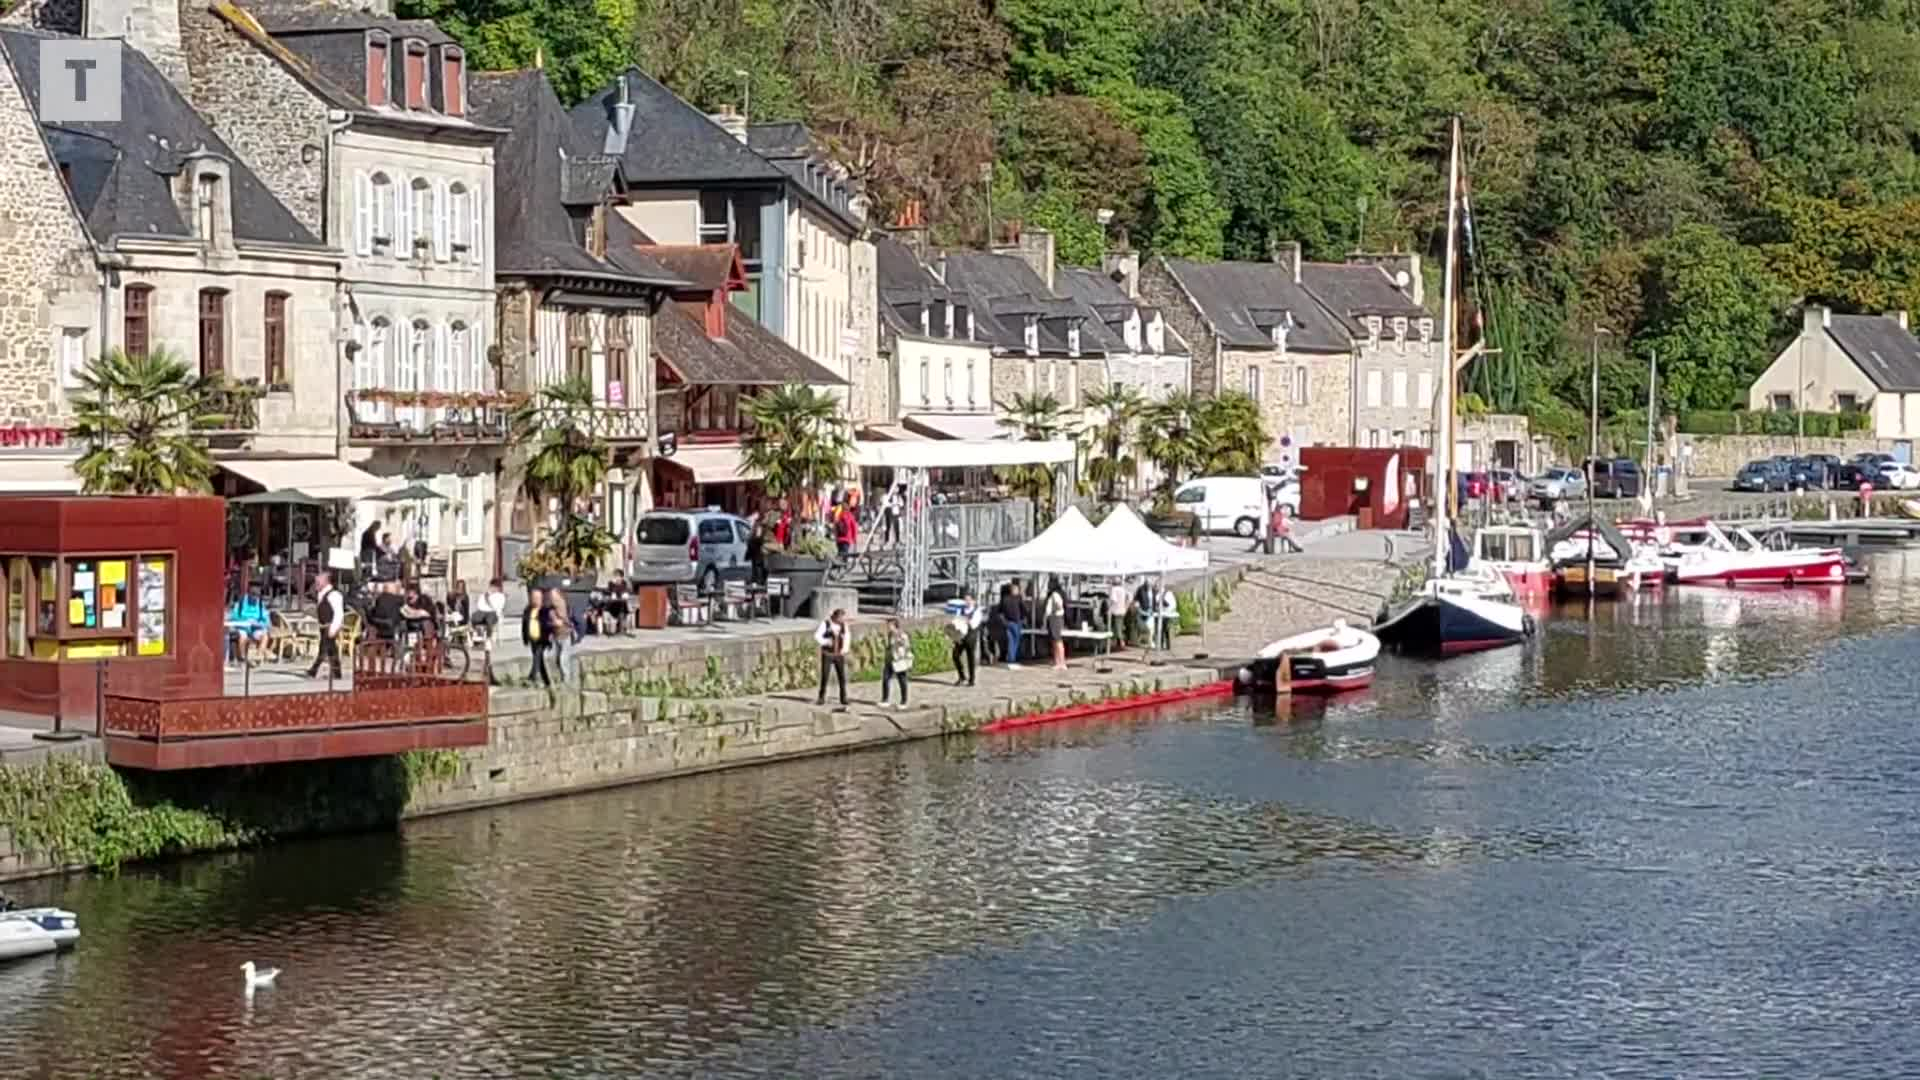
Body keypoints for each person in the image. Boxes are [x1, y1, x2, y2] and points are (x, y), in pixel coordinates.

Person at [305, 571, 344, 680]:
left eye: (318, 582)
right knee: (331, 649)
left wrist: (334, 628)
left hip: (330, 626)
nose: (316, 584)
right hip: (323, 626)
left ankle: (313, 670)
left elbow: (338, 613)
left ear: (326, 581)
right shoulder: (321, 594)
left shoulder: (334, 594)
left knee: (323, 648)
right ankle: (337, 673)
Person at [227, 585, 271, 667]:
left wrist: (258, 623)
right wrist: (245, 620)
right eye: (253, 595)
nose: (255, 598)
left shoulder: (260, 604)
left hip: (255, 628)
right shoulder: (241, 603)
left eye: (257, 596)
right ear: (249, 594)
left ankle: (258, 656)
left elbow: (267, 621)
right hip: (243, 627)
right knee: (242, 637)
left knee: (264, 636)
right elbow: (233, 617)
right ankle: (243, 657)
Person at [814, 607, 850, 707]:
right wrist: (826, 642)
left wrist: (844, 650)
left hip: (839, 654)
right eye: (840, 618)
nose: (841, 620)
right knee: (825, 676)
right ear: (835, 617)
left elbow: (847, 637)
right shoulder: (825, 624)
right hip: (828, 654)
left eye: (842, 618)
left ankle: (843, 697)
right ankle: (821, 697)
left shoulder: (844, 626)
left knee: (842, 676)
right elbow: (817, 636)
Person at [949, 593, 983, 686]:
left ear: (973, 601)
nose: (967, 602)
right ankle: (962, 676)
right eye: (965, 600)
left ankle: (972, 679)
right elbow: (956, 620)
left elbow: (973, 624)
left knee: (970, 657)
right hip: (960, 635)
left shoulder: (977, 611)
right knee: (955, 655)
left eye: (969, 600)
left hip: (970, 636)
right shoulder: (961, 609)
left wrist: (965, 620)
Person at [522, 586, 552, 689]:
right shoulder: (528, 610)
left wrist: (549, 639)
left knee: (537, 657)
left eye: (537, 597)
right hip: (532, 638)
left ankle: (532, 677)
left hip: (542, 638)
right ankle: (547, 681)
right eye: (533, 597)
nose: (535, 599)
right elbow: (524, 625)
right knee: (540, 660)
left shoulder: (545, 610)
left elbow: (548, 625)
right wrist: (525, 638)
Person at [880, 617, 913, 708]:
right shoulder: (890, 634)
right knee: (885, 679)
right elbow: (889, 646)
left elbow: (907, 645)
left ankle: (903, 701)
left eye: (889, 625)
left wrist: (899, 641)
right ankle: (885, 699)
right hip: (889, 659)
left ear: (894, 625)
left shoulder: (901, 634)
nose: (887, 627)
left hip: (899, 660)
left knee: (902, 680)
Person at [1000, 582, 1027, 669]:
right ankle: (1012, 659)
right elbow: (1024, 609)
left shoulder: (1004, 599)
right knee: (1015, 641)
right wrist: (1023, 619)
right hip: (1016, 622)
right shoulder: (1018, 599)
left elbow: (1000, 611)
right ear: (1015, 590)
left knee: (1011, 640)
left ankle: (1010, 658)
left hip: (1008, 622)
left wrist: (1004, 621)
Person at [550, 589, 575, 681]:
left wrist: (565, 622)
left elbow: (568, 619)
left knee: (563, 658)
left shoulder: (564, 605)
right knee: (557, 658)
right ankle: (562, 677)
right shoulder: (551, 609)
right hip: (556, 635)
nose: (553, 599)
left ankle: (567, 679)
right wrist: (553, 622)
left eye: (555, 597)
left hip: (565, 634)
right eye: (552, 597)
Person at [1044, 584, 1068, 671]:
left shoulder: (1055, 594)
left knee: (1057, 640)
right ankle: (1057, 662)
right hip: (1055, 618)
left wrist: (1053, 611)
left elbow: (1058, 605)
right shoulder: (1056, 594)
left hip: (1055, 618)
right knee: (1054, 641)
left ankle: (1062, 662)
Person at [600, 570, 632, 634]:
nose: (617, 578)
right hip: (612, 606)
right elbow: (609, 592)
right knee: (612, 631)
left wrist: (624, 593)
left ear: (621, 577)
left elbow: (626, 591)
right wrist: (614, 585)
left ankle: (625, 628)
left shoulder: (624, 583)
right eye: (615, 576)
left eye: (618, 576)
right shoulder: (611, 583)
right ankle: (612, 628)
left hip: (622, 605)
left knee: (628, 609)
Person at [1156, 584, 1179, 650]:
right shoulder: (1160, 594)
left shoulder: (1168, 594)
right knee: (1162, 630)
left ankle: (1166, 645)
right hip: (1162, 614)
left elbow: (1170, 605)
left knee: (1164, 630)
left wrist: (1163, 602)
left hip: (1166, 615)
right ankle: (1163, 645)